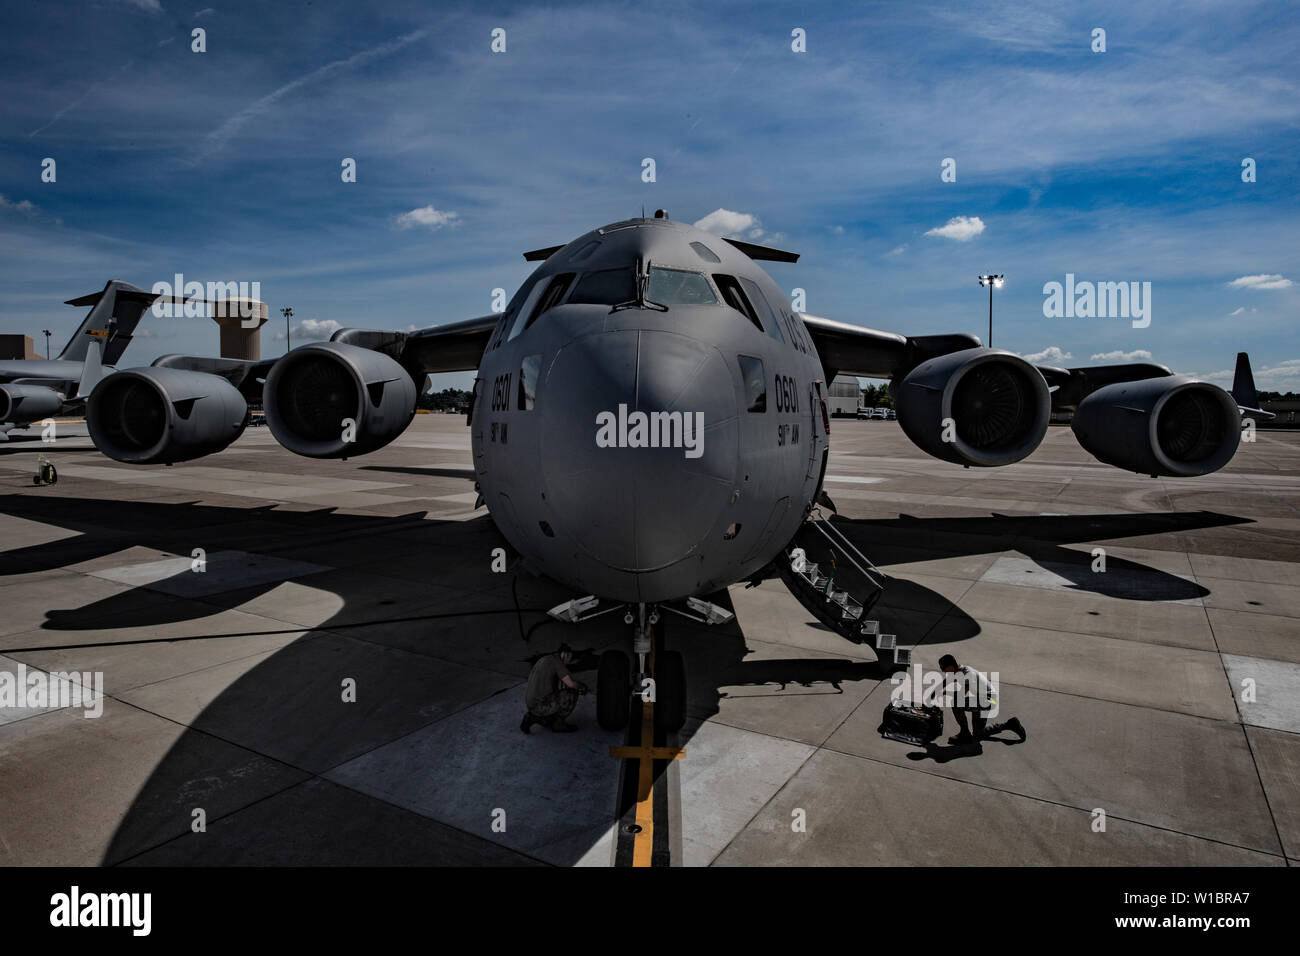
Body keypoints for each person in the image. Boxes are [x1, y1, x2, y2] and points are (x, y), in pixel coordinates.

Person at [934, 654, 1026, 746]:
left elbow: (961, 694)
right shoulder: (958, 671)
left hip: (988, 700)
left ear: (950, 667)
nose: (942, 671)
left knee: (956, 703)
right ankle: (1009, 725)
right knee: (979, 734)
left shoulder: (967, 674)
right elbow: (945, 682)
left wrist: (945, 693)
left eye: (943, 668)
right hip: (983, 699)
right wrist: (932, 696)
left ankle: (964, 733)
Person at [521, 643, 587, 734]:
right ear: (563, 655)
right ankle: (558, 724)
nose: (568, 662)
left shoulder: (545, 659)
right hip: (541, 705)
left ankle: (533, 717)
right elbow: (571, 684)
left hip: (531, 703)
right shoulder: (558, 663)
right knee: (572, 692)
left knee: (557, 696)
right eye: (568, 658)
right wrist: (582, 686)